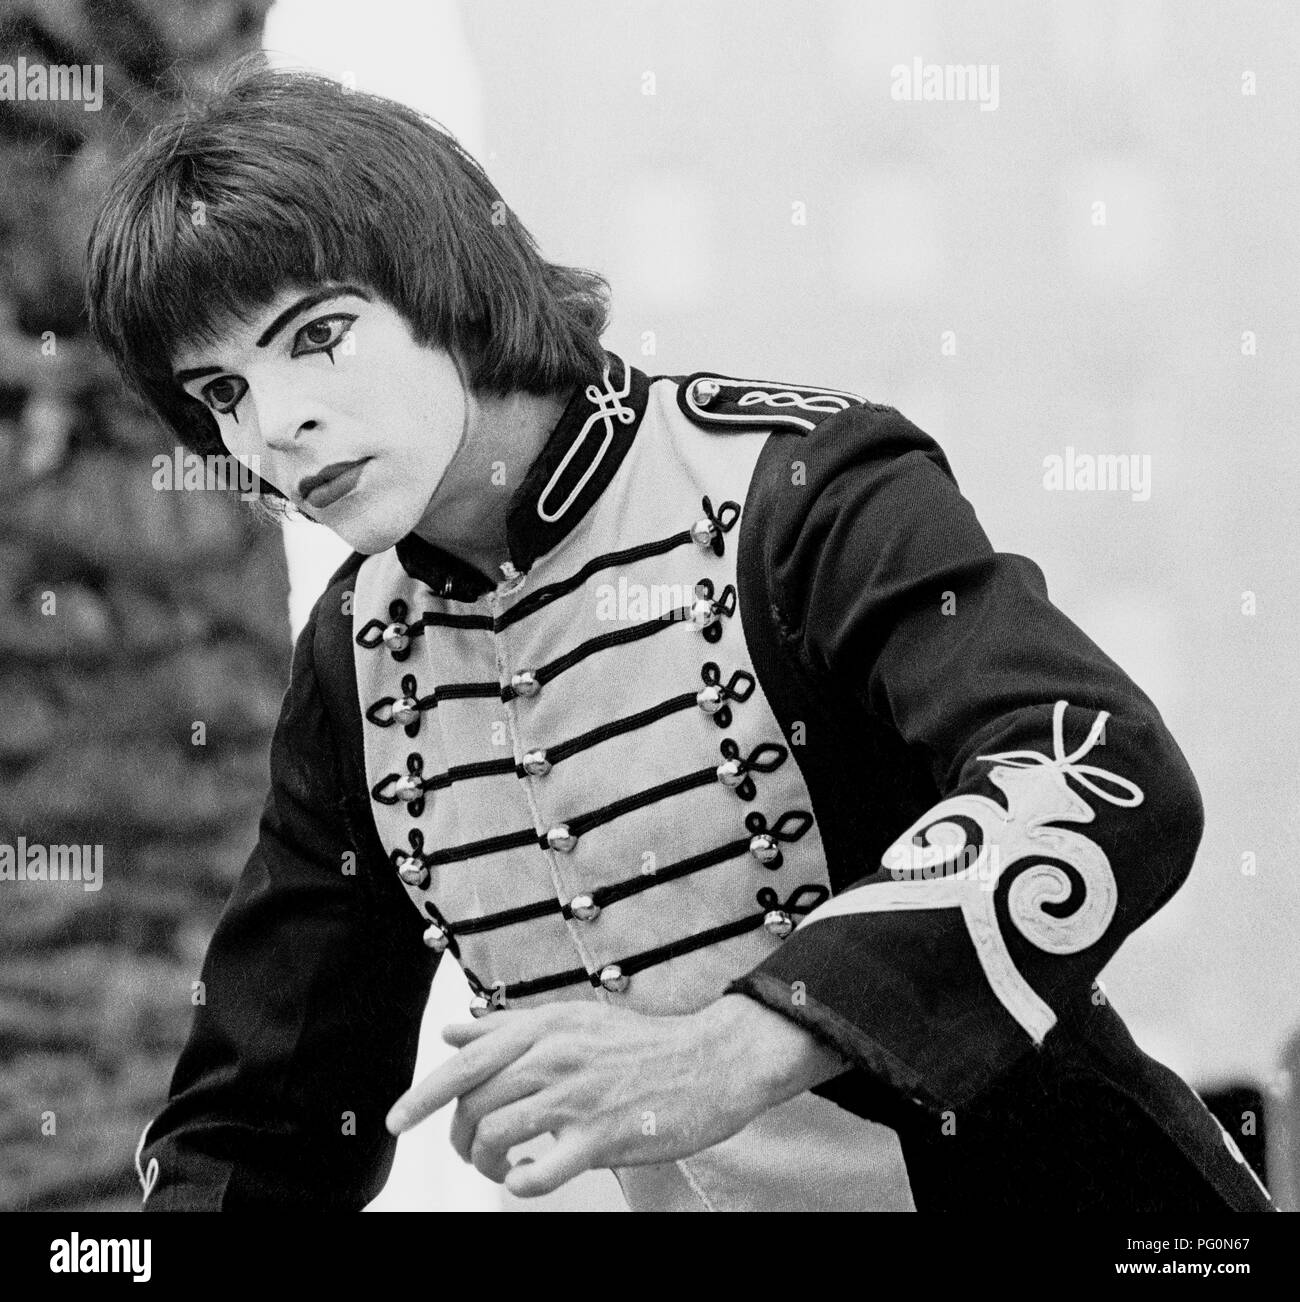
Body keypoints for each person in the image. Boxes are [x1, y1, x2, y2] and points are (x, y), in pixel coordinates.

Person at [85, 64, 1273, 1212]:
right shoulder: (357, 649)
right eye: (222, 394)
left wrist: (739, 1044)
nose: (275, 425)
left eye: (318, 335)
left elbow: (1100, 766)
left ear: (441, 279)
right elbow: (267, 1121)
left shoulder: (800, 485)